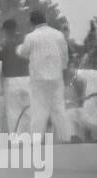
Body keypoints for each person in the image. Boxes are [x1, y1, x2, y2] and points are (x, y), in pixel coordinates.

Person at [17, 10, 71, 142]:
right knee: (58, 107)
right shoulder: (58, 35)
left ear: (32, 22)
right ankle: (65, 137)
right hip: (56, 77)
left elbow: (23, 52)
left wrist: (18, 48)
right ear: (45, 18)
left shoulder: (31, 37)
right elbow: (64, 54)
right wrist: (62, 68)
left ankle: (36, 139)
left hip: (38, 78)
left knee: (39, 109)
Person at [0, 19, 29, 133]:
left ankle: (17, 139)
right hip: (27, 79)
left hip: (11, 80)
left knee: (13, 112)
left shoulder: (4, 44)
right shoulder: (24, 41)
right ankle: (32, 137)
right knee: (28, 110)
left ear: (6, 31)